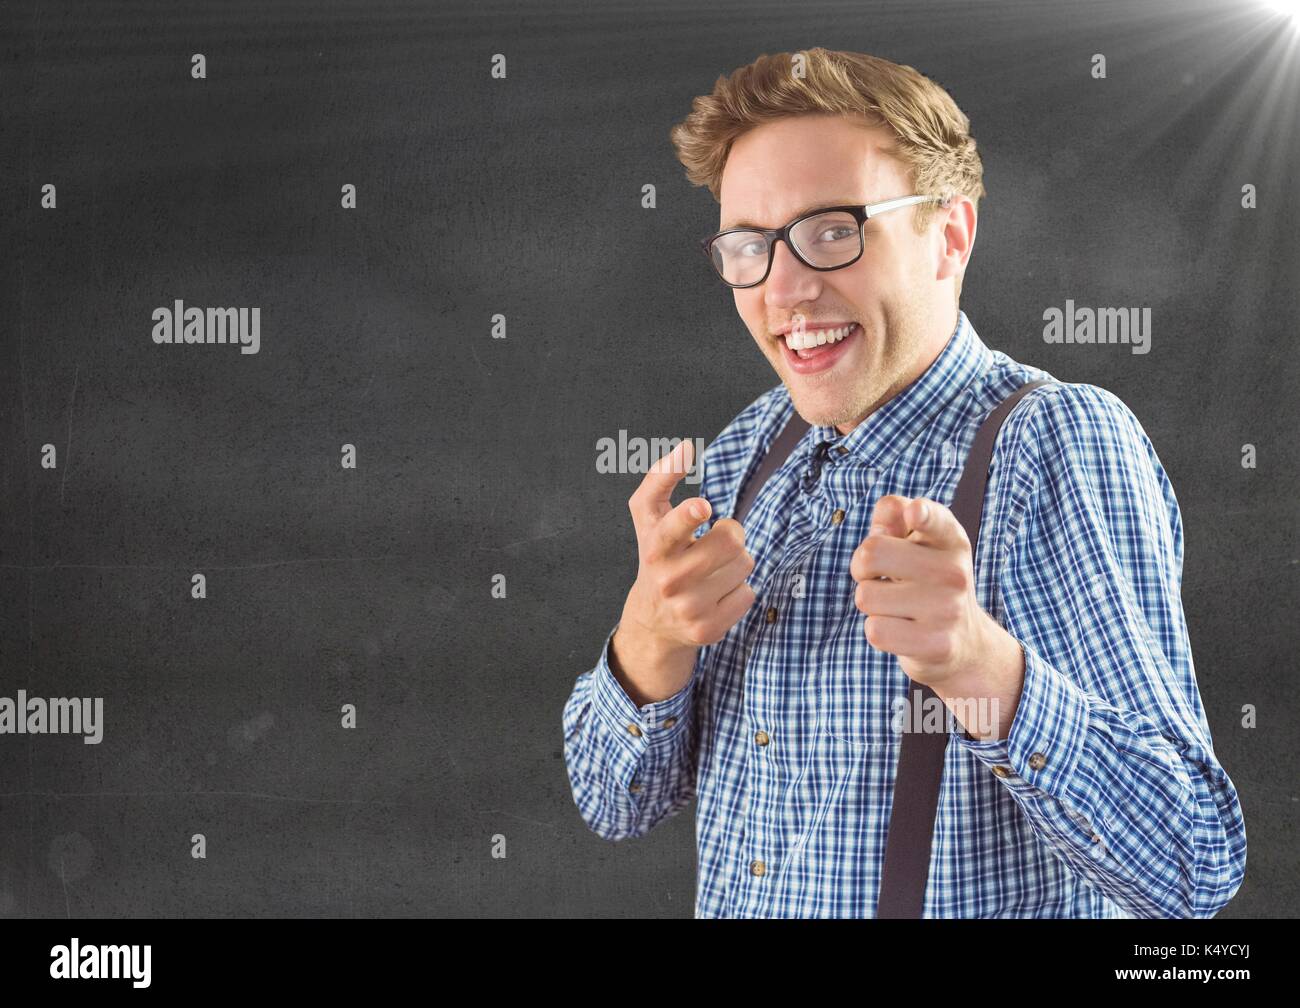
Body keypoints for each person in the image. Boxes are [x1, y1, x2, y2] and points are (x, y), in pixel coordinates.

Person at [561, 47, 1246, 918]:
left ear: (950, 235)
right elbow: (614, 805)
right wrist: (648, 639)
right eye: (750, 247)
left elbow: (1192, 866)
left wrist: (979, 666)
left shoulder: (1054, 444)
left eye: (833, 231)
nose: (787, 291)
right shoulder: (743, 456)